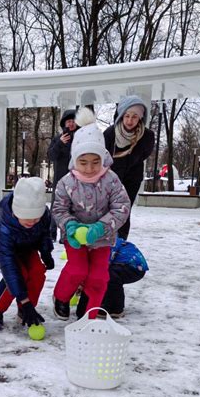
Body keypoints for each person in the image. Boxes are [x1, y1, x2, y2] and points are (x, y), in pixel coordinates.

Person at [52, 108, 131, 320]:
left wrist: (101, 228)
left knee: (99, 276)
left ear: (103, 158)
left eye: (95, 162)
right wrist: (69, 226)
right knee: (78, 270)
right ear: (75, 159)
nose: (89, 168)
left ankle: (88, 311)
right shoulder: (66, 182)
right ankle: (61, 296)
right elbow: (59, 208)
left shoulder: (111, 179)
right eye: (83, 162)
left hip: (102, 238)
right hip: (75, 237)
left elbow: (121, 205)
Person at [0, 177, 55, 330]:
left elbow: (44, 234)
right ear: (16, 211)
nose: (32, 222)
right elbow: (8, 267)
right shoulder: (4, 228)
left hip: (26, 245)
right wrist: (24, 299)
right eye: (27, 218)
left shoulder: (44, 216)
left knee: (37, 272)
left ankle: (25, 310)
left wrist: (46, 252)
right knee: (18, 274)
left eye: (36, 218)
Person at [104, 96, 155, 239]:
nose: (130, 120)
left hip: (132, 180)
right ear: (121, 115)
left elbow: (144, 154)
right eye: (126, 116)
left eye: (134, 116)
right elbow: (103, 155)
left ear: (140, 118)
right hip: (111, 179)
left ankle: (121, 242)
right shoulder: (110, 133)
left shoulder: (147, 136)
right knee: (108, 210)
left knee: (124, 210)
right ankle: (105, 239)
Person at [75, 237, 148, 319]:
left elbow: (102, 267)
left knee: (109, 276)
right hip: (124, 265)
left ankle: (116, 309)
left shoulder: (106, 245)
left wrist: (83, 284)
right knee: (106, 276)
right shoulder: (101, 242)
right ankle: (107, 304)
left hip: (134, 268)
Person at [47, 109, 77, 242]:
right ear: (64, 123)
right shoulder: (57, 139)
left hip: (76, 180)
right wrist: (59, 143)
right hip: (60, 180)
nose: (71, 124)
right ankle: (51, 233)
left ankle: (66, 234)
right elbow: (51, 156)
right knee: (56, 206)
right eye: (68, 121)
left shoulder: (81, 137)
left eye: (73, 121)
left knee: (71, 208)